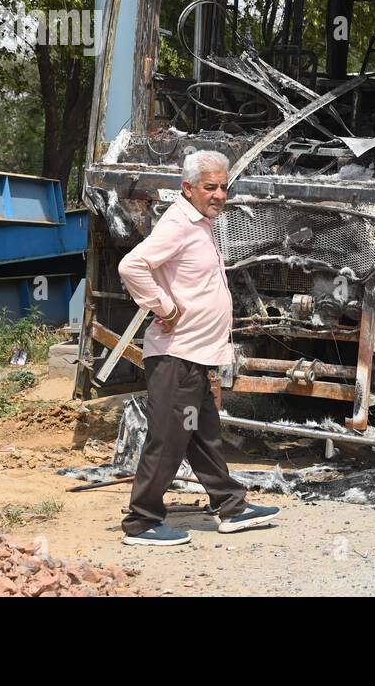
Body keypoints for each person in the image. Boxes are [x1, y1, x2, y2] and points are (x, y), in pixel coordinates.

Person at [116, 149, 281, 546]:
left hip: (195, 356)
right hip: (176, 355)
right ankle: (141, 522)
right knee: (168, 437)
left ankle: (231, 506)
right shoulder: (179, 223)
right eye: (211, 187)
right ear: (187, 188)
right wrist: (165, 306)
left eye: (224, 187)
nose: (220, 195)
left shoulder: (201, 222)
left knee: (201, 434)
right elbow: (131, 266)